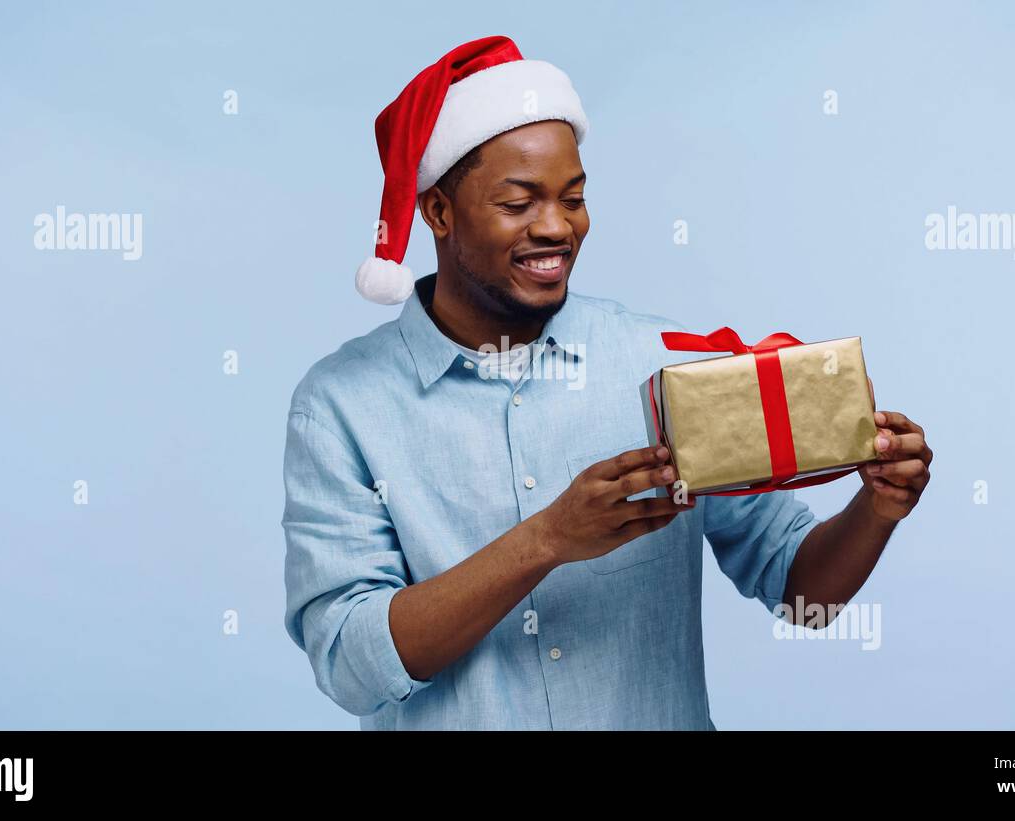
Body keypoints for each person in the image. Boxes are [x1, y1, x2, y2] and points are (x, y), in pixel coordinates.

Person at [282, 35, 933, 729]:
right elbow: (351, 663)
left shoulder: (669, 363)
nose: (557, 227)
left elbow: (801, 588)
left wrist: (877, 509)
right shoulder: (339, 407)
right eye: (518, 202)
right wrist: (548, 539)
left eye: (574, 198)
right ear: (439, 212)